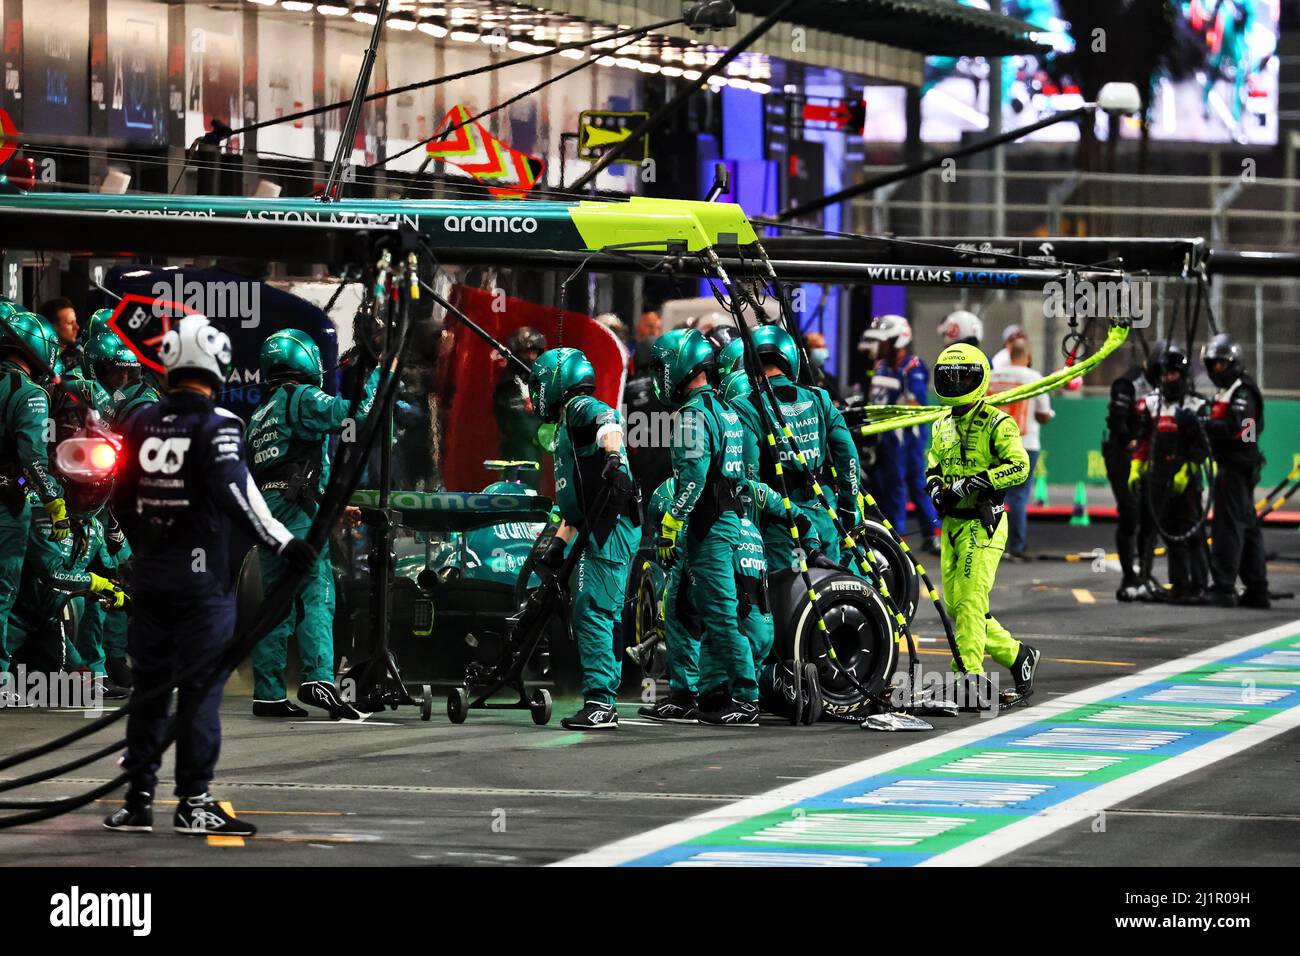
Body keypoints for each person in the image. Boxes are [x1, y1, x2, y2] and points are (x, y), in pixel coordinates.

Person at [104, 314, 317, 836]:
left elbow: (122, 499)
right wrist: (287, 544)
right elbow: (239, 495)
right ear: (217, 365)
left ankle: (137, 800)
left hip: (150, 582)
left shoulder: (140, 423)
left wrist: (146, 548)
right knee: (199, 691)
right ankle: (194, 799)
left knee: (150, 690)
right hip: (201, 589)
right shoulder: (219, 425)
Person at [246, 328, 377, 719]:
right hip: (297, 513)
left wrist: (335, 509)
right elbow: (350, 415)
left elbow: (291, 469)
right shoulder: (300, 396)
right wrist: (367, 385)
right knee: (316, 591)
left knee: (276, 604)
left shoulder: (259, 414)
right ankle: (319, 680)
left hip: (267, 514)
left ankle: (268, 695)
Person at [649, 328, 761, 725]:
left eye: (662, 366)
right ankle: (683, 694)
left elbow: (693, 479)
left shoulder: (694, 416)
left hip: (707, 525)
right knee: (679, 609)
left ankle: (747, 699)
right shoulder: (726, 409)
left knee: (720, 615)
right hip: (715, 521)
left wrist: (670, 521)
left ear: (681, 366)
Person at [527, 346, 639, 730]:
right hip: (599, 523)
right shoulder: (566, 427)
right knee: (599, 608)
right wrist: (560, 542)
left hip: (611, 523)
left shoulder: (580, 408)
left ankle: (601, 704)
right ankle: (603, 700)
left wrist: (614, 457)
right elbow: (577, 496)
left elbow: (609, 420)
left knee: (593, 609)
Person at [925, 343, 1040, 706]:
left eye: (963, 378)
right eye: (948, 377)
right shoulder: (940, 424)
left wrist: (976, 483)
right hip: (953, 527)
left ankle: (969, 680)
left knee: (972, 600)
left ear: (981, 379)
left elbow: (1019, 466)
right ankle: (1019, 655)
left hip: (983, 523)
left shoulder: (998, 422)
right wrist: (937, 490)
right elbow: (932, 466)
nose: (956, 384)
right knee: (959, 607)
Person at [731, 325, 861, 571]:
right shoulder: (819, 397)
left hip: (782, 525)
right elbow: (848, 455)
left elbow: (749, 473)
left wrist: (748, 525)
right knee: (826, 592)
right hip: (825, 515)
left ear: (749, 364)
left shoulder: (746, 406)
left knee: (789, 600)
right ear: (790, 358)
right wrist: (848, 507)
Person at [0, 309, 70, 673]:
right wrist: (55, 501)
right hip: (6, 502)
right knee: (2, 592)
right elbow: (34, 459)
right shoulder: (29, 394)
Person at [1129, 342, 1212, 603]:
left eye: (1173, 374)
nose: (1168, 378)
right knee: (1164, 533)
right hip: (1157, 477)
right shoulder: (1151, 404)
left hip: (1186, 478)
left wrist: (1187, 470)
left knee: (1192, 533)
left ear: (1183, 375)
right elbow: (1143, 439)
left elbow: (1203, 445)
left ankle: (1199, 585)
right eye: (1165, 374)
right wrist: (1136, 465)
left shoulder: (1196, 405)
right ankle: (1178, 585)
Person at [861, 314, 940, 550]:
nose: (880, 346)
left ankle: (921, 535)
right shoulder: (881, 366)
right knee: (888, 485)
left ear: (897, 340)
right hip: (883, 437)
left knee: (912, 485)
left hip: (907, 438)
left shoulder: (913, 367)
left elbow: (918, 404)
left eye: (884, 341)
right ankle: (897, 534)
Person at [1202, 334, 1269, 608]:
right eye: (1213, 365)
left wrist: (1203, 423)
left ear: (1232, 363)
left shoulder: (1243, 391)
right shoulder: (1230, 391)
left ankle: (1223, 585)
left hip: (1237, 466)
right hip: (1239, 462)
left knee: (1228, 526)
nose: (1217, 370)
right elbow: (1247, 431)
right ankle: (1256, 588)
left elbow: (1242, 430)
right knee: (1247, 526)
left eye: (1221, 364)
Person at [986, 337, 1054, 559]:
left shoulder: (992, 377)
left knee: (990, 493)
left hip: (992, 444)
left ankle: (988, 544)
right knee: (1018, 497)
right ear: (1028, 357)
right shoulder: (1033, 378)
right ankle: (1016, 546)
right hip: (1024, 444)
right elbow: (1043, 414)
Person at [1104, 350, 1160, 600]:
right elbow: (1116, 419)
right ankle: (1129, 574)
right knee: (1130, 513)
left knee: (1151, 514)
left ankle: (1145, 574)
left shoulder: (1167, 383)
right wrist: (1130, 441)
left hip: (1151, 454)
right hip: (1124, 454)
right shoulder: (1129, 383)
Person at [492, 326, 547, 480]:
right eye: (526, 352)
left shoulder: (539, 381)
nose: (531, 357)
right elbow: (516, 419)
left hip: (536, 448)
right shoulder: (508, 383)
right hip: (517, 448)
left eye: (534, 352)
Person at [38, 297, 80, 370]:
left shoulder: (77, 353)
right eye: (70, 323)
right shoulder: (40, 360)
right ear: (53, 327)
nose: (77, 327)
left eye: (75, 321)